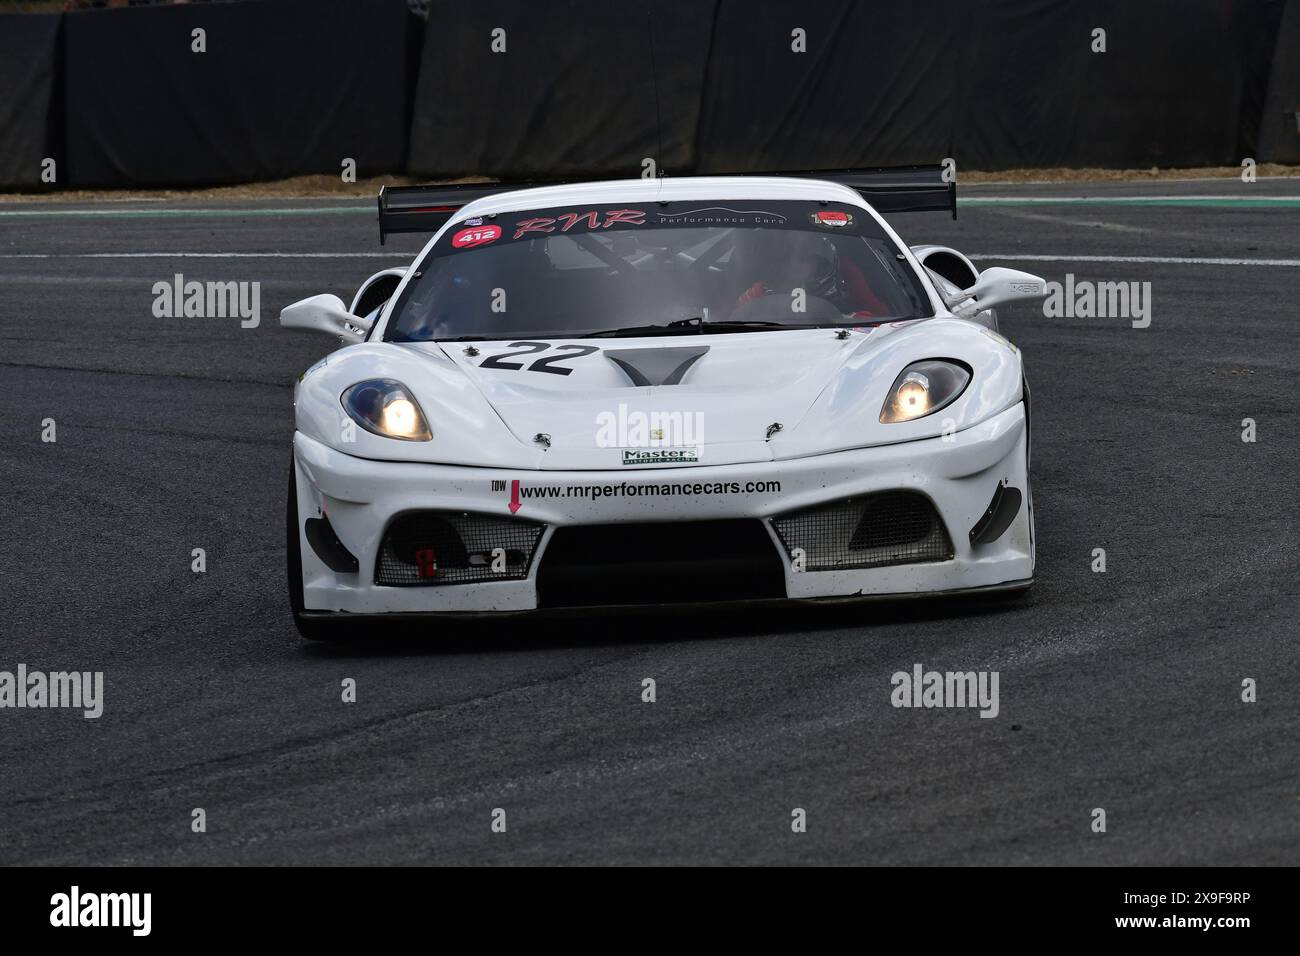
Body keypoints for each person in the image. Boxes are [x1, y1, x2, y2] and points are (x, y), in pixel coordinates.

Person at [731, 229, 890, 319]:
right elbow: (735, 320)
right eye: (790, 259)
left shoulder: (847, 278)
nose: (796, 265)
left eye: (807, 259)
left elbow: (881, 320)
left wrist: (855, 319)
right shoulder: (761, 291)